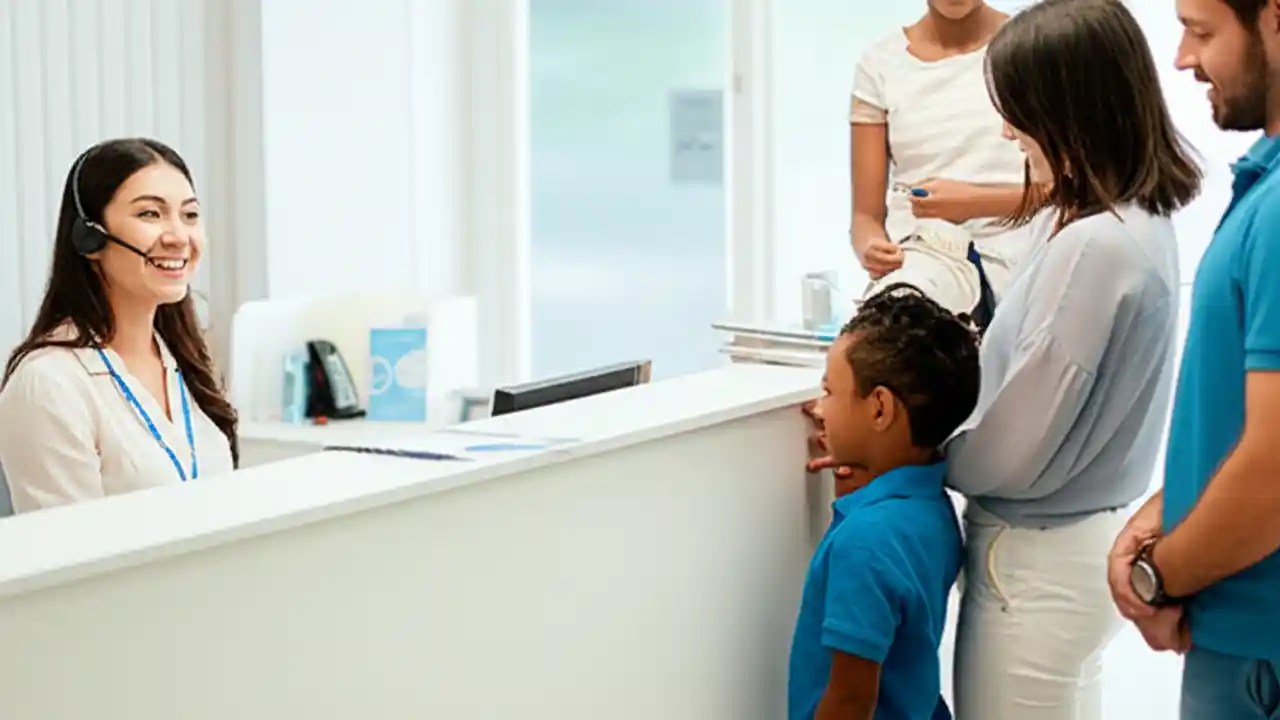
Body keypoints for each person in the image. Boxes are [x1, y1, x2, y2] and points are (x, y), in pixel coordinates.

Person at [814, 0, 1202, 716]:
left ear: (1068, 112)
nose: (1005, 130)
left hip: (1038, 569)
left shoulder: (1093, 248)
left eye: (1016, 111)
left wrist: (900, 448)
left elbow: (1015, 446)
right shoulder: (1133, 219)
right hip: (1078, 551)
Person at [1106, 0, 1280, 716]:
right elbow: (1242, 422)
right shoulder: (1262, 193)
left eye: (1202, 32)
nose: (1182, 57)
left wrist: (1158, 578)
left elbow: (1274, 468)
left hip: (1257, 653)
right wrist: (1166, 509)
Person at [0, 138, 237, 512]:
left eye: (189, 215)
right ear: (89, 236)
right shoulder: (49, 383)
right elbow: (69, 557)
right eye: (150, 214)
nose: (178, 236)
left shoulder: (186, 358)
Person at [790, 284, 978, 720]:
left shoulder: (866, 541)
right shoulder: (931, 506)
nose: (820, 408)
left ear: (879, 409)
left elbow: (851, 701)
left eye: (830, 392)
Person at [850, 0, 1030, 324]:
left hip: (1020, 266)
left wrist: (974, 202)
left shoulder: (1032, 46)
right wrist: (873, 248)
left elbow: (1072, 189)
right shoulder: (880, 64)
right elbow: (865, 217)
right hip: (919, 269)